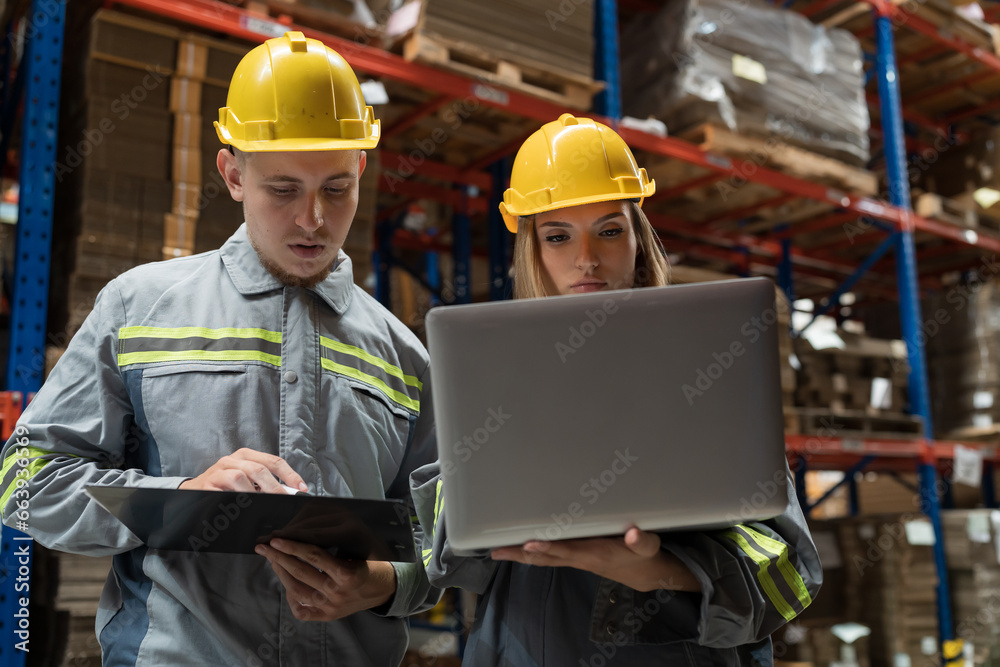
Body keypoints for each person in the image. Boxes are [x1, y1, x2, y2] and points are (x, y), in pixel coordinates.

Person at [0, 32, 440, 666]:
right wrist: (179, 497)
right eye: (283, 189)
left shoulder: (405, 356)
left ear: (362, 171)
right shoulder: (139, 308)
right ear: (233, 174)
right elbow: (22, 482)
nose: (312, 219)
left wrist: (385, 583)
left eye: (336, 189)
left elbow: (448, 542)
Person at [411, 113, 822, 666]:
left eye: (609, 230)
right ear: (531, 249)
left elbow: (790, 577)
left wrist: (656, 571)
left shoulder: (710, 366)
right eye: (558, 236)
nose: (586, 258)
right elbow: (442, 554)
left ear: (638, 238)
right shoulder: (492, 378)